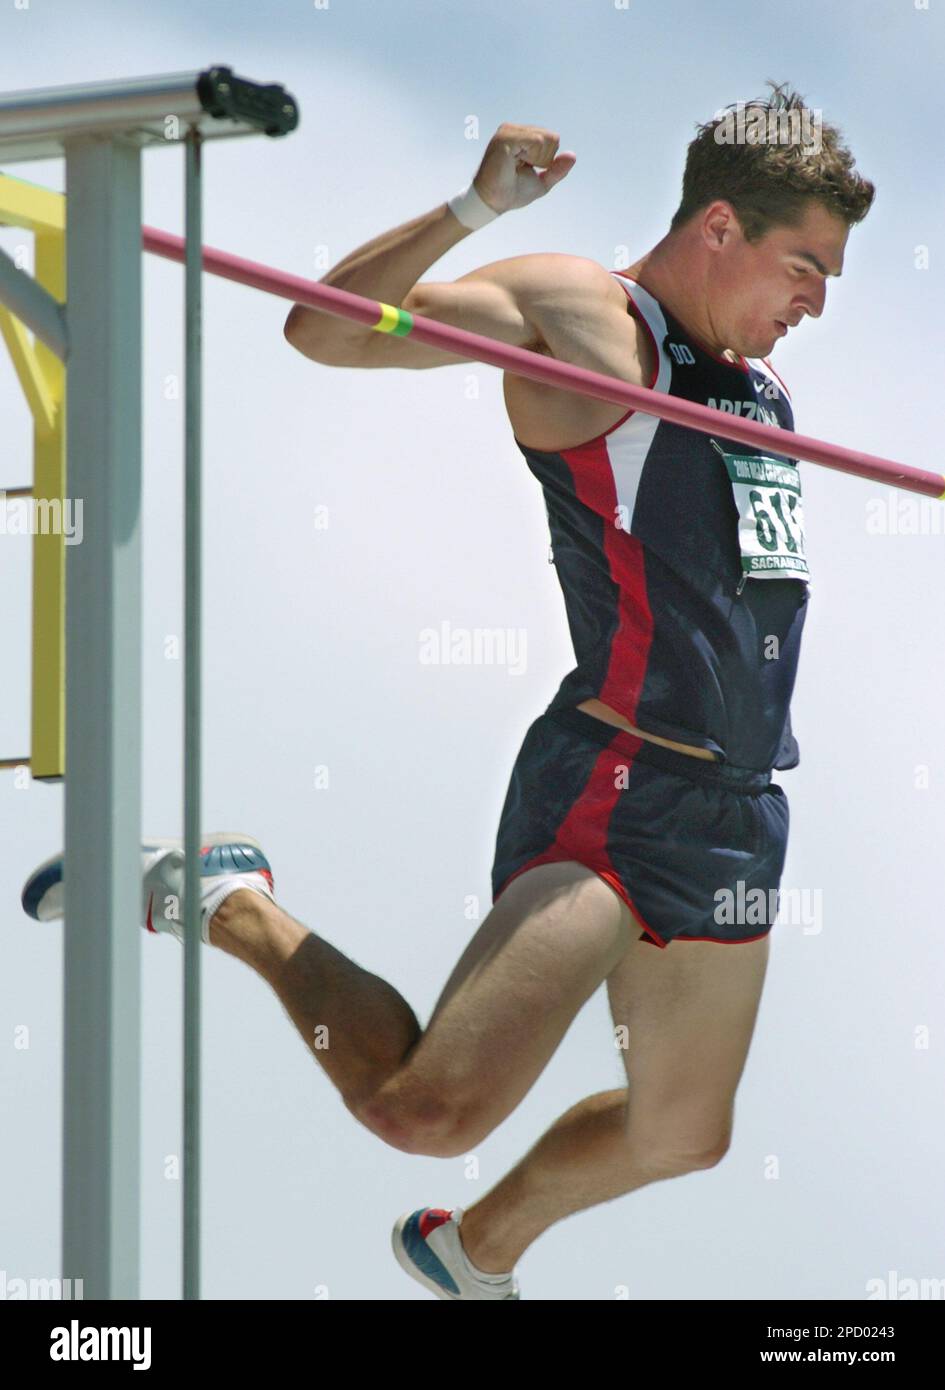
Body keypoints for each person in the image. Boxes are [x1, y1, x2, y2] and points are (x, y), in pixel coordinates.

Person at [23, 80, 874, 1301]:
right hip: (615, 793)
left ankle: (469, 1253)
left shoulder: (758, 385)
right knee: (421, 1108)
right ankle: (232, 902)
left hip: (738, 811)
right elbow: (321, 328)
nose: (818, 301)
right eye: (807, 265)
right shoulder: (588, 317)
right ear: (721, 227)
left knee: (682, 1131)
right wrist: (475, 206)